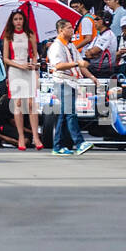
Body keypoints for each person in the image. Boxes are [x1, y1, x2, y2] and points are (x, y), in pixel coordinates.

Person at [46, 19, 95, 155]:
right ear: (61, 30)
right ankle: (79, 142)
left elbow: (80, 64)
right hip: (62, 81)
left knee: (63, 115)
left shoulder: (71, 46)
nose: (71, 30)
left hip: (71, 82)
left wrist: (91, 77)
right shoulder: (56, 46)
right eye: (68, 28)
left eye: (72, 27)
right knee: (70, 113)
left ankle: (57, 146)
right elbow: (58, 65)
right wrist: (76, 64)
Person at [1, 9, 41, 150]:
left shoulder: (30, 34)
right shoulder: (8, 36)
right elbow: (6, 58)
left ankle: (36, 137)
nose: (18, 21)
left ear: (24, 20)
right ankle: (20, 138)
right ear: (12, 21)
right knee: (18, 104)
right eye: (15, 19)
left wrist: (34, 64)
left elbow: (35, 54)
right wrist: (19, 65)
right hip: (15, 71)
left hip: (28, 70)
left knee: (31, 104)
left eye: (20, 19)